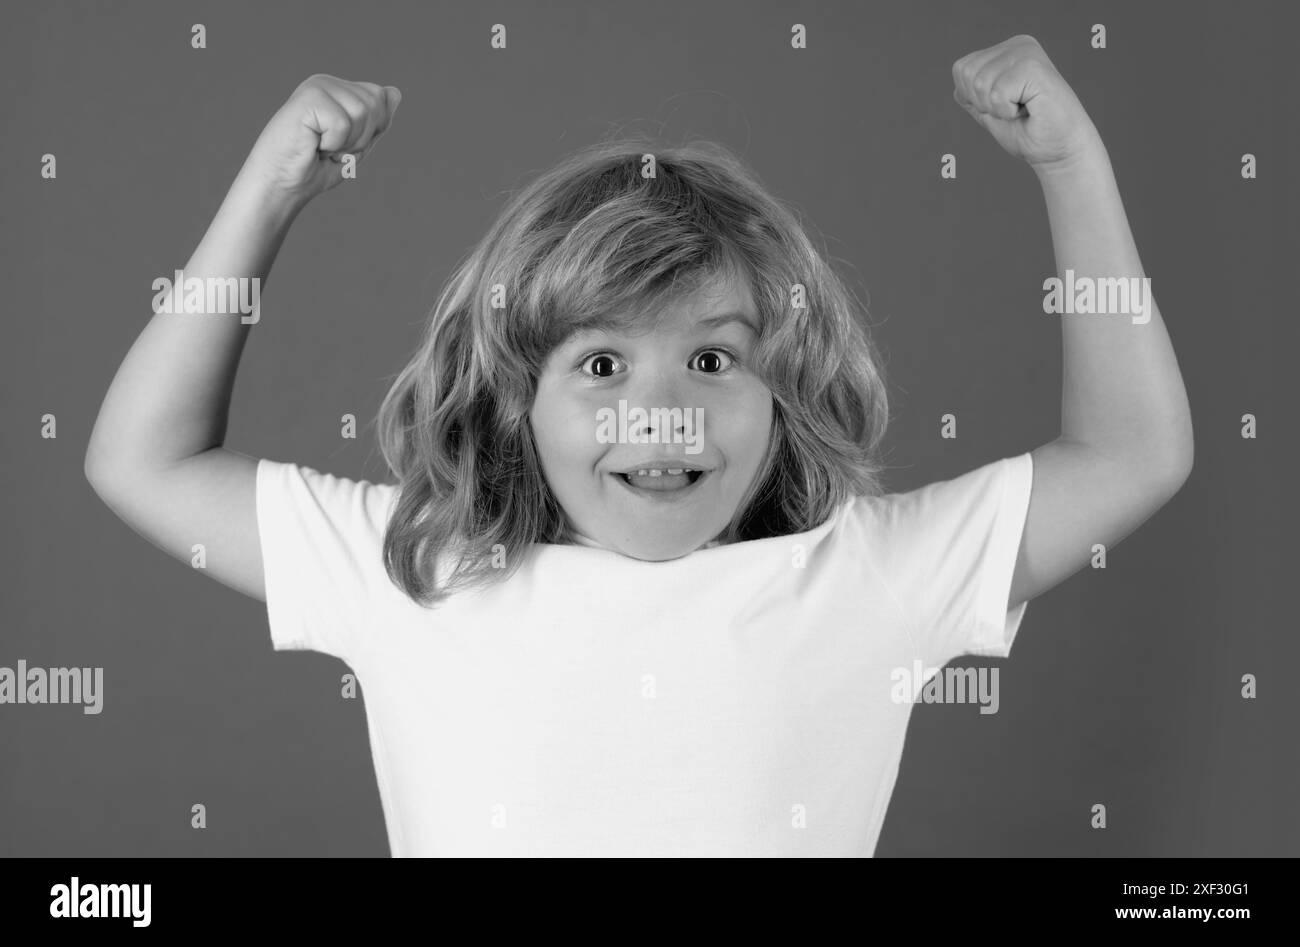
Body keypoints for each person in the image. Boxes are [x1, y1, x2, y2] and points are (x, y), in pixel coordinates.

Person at [84, 35, 1193, 856]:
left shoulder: (870, 576)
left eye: (712, 361)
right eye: (602, 365)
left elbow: (1129, 453)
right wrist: (269, 191)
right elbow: (144, 460)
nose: (658, 415)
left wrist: (1072, 167)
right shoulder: (420, 564)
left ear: (785, 393)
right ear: (517, 398)